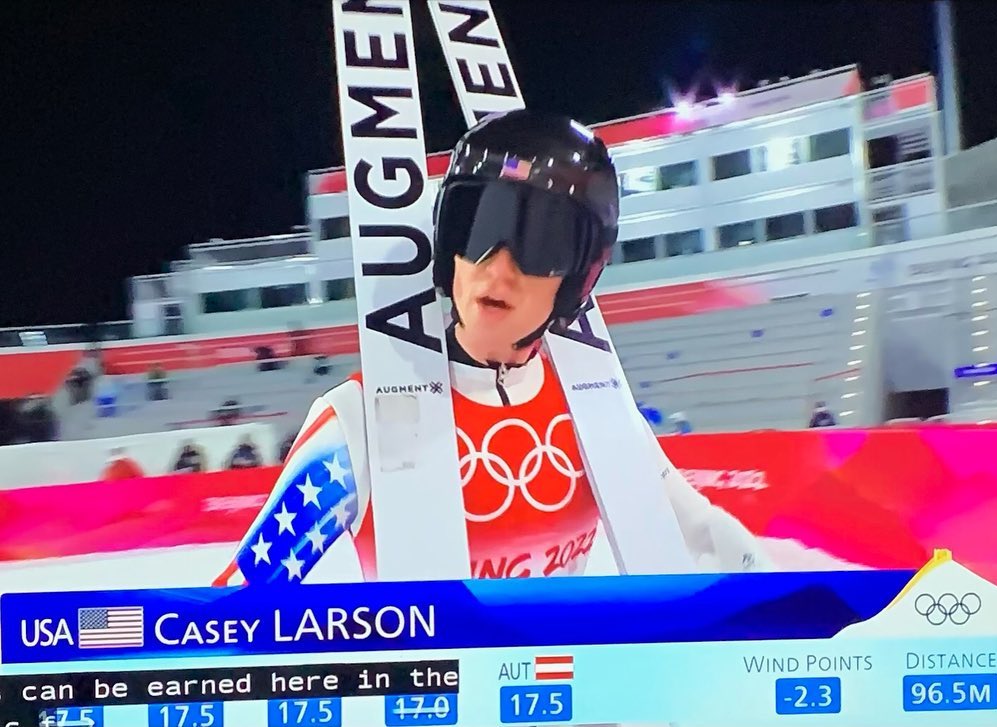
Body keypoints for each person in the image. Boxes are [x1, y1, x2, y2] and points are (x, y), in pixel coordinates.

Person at [215, 110, 767, 587]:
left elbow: (699, 531)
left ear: (578, 277)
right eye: (476, 229)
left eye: (539, 244)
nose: (496, 269)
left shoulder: (595, 404)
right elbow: (238, 603)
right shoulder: (359, 421)